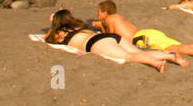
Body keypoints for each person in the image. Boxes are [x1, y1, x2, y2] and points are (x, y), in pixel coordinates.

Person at [43, 9, 184, 71]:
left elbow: (47, 37)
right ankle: (171, 56)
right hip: (106, 37)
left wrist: (53, 25)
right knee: (138, 51)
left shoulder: (58, 33)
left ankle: (156, 63)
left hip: (95, 44)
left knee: (129, 56)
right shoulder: (79, 25)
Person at [94, 0, 193, 62]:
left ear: (105, 12)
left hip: (142, 38)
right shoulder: (118, 17)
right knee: (177, 45)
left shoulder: (110, 19)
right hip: (148, 33)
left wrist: (100, 27)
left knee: (174, 48)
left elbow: (111, 37)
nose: (97, 14)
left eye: (99, 11)